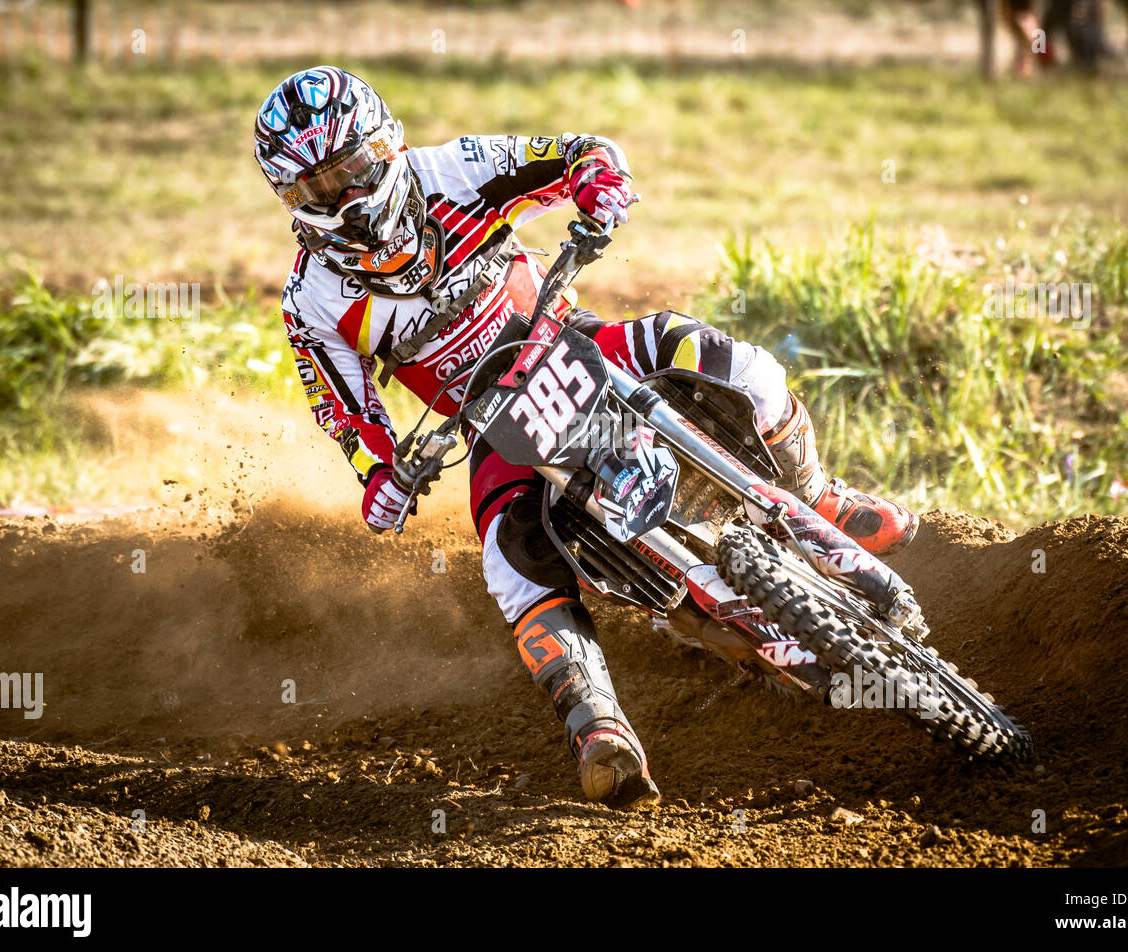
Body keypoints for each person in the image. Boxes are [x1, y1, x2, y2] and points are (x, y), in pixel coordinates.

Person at [255, 66, 918, 808]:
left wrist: (599, 186)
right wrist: (382, 476)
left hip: (576, 341)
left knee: (738, 365)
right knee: (508, 558)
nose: (345, 197)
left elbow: (577, 150)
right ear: (290, 201)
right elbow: (346, 411)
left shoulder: (454, 169)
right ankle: (597, 723)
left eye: (352, 170)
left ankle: (818, 497)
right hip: (491, 431)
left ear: (388, 145)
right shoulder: (311, 298)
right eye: (317, 190)